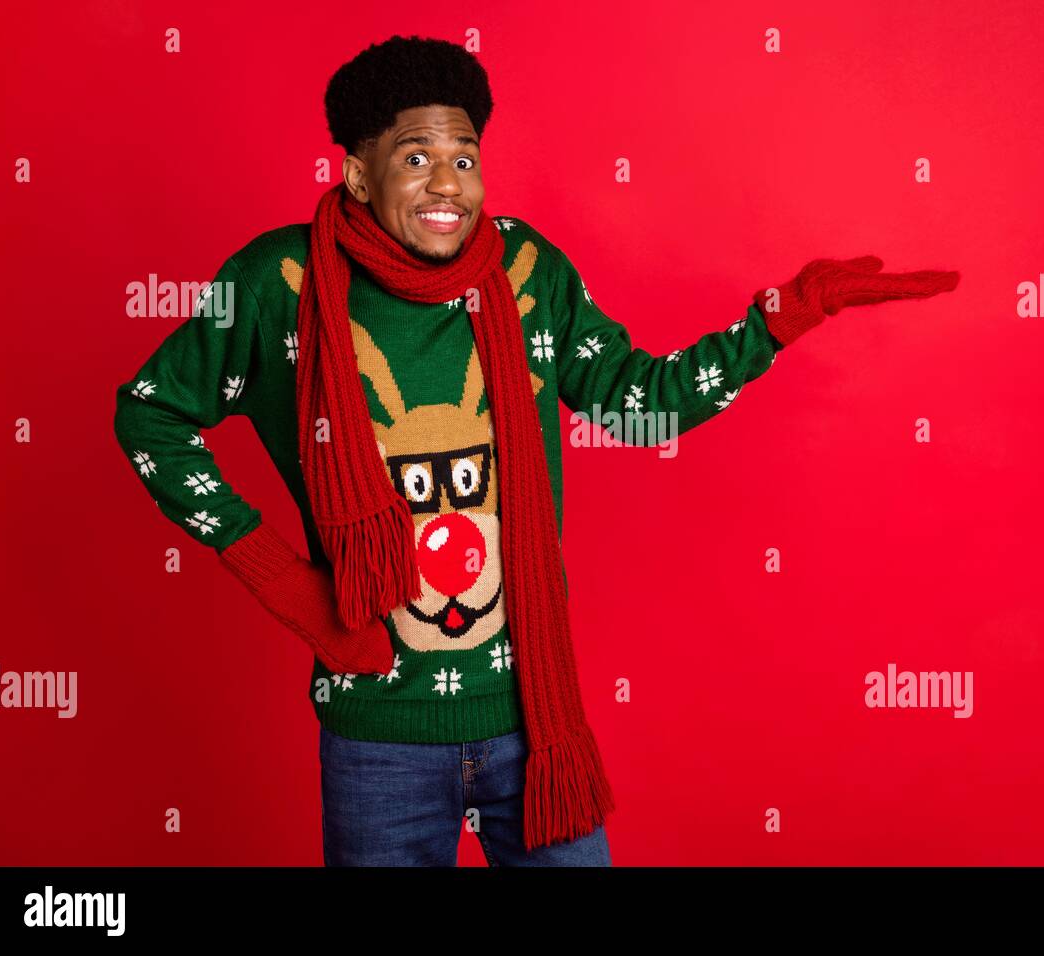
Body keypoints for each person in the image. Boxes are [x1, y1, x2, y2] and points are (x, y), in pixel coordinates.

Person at [112, 34, 960, 867]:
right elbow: (149, 414)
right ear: (358, 172)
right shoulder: (279, 283)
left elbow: (642, 406)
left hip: (533, 723)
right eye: (415, 159)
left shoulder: (526, 273)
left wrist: (777, 323)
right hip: (378, 738)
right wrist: (289, 585)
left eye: (465, 157)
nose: (448, 183)